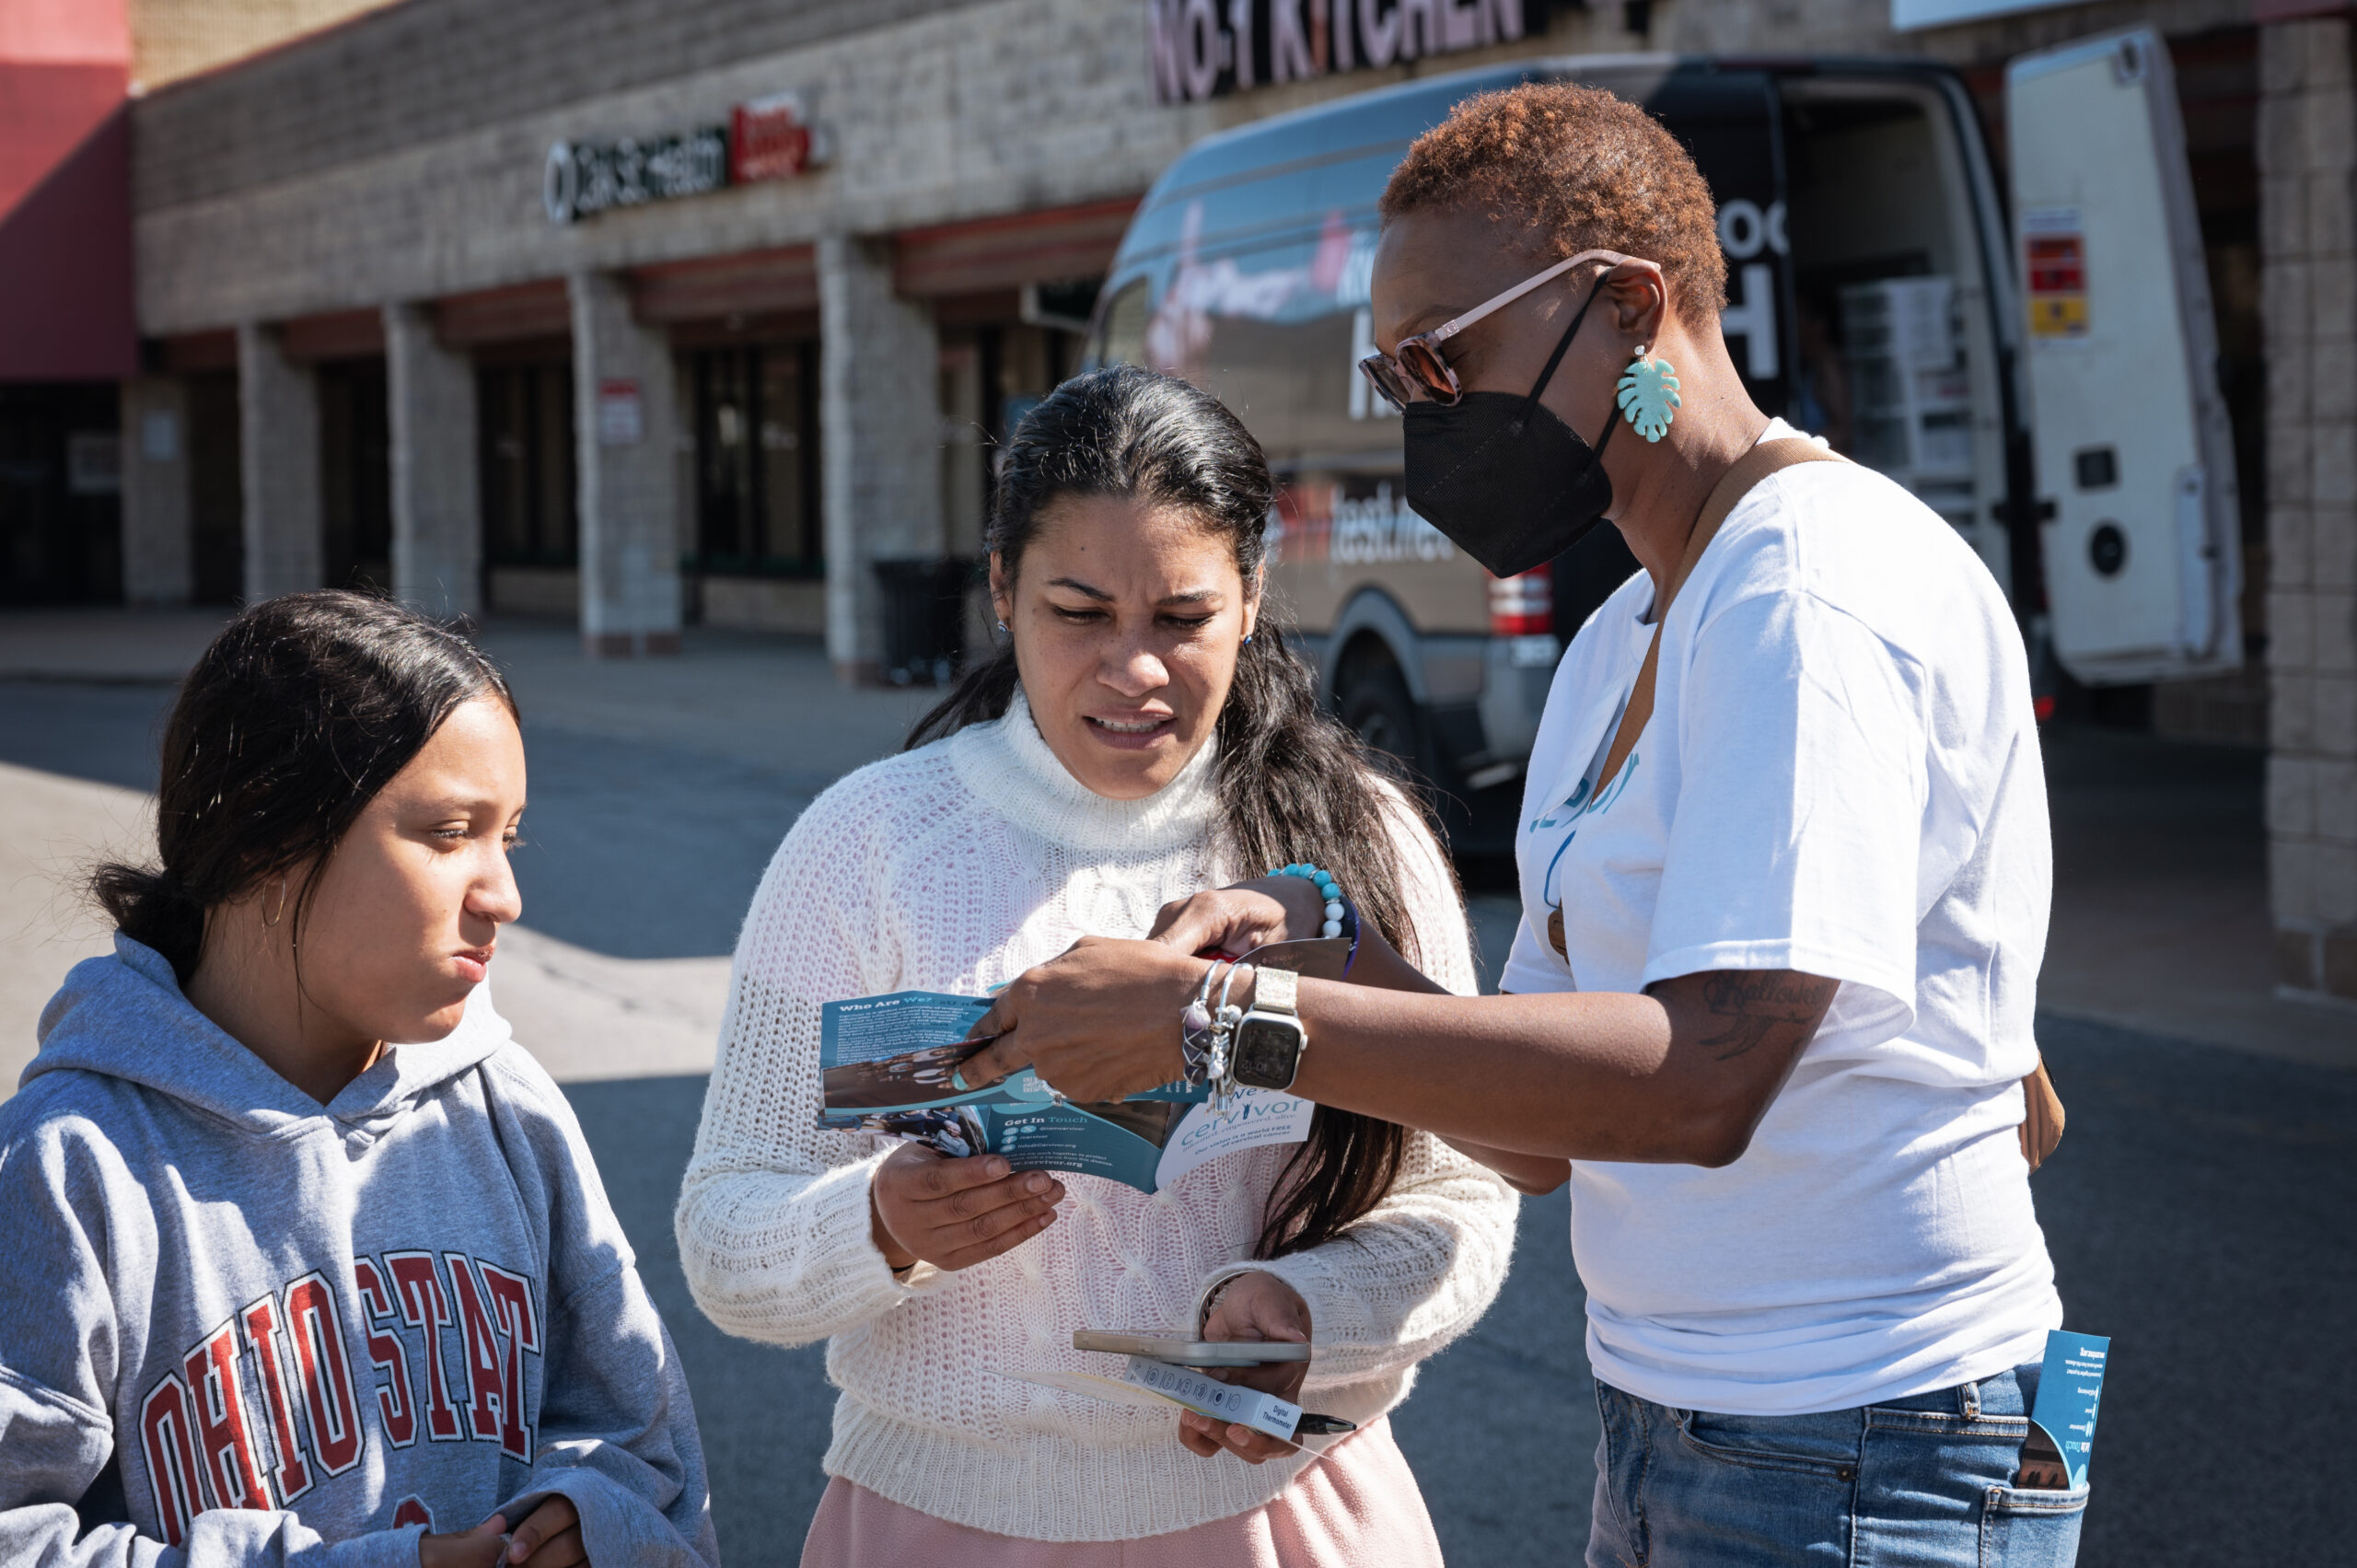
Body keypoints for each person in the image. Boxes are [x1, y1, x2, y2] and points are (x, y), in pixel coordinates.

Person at [964, 85, 2084, 1564]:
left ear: (1629, 306)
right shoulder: (1627, 629)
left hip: (1869, 1436)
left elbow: (1703, 1078)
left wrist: (1220, 1019)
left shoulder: (1808, 588)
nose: (1425, 413)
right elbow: (1548, 1137)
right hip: (1680, 1420)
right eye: (1395, 375)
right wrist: (1348, 966)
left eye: (1446, 359)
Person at [673, 366, 1515, 1565]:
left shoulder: (1355, 840)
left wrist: (1312, 1308)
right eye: (1079, 611)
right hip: (937, 1521)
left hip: (1292, 1516)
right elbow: (723, 1235)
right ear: (1003, 589)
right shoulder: (863, 847)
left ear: (1252, 594)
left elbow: (1461, 1198)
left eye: (1181, 617)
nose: (1134, 670)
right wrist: (878, 1221)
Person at [0, 592, 716, 1568]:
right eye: (447, 830)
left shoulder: (510, 1107)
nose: (503, 894)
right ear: (263, 837)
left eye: (507, 836)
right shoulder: (70, 1162)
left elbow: (648, 1449)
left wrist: (588, 1515)